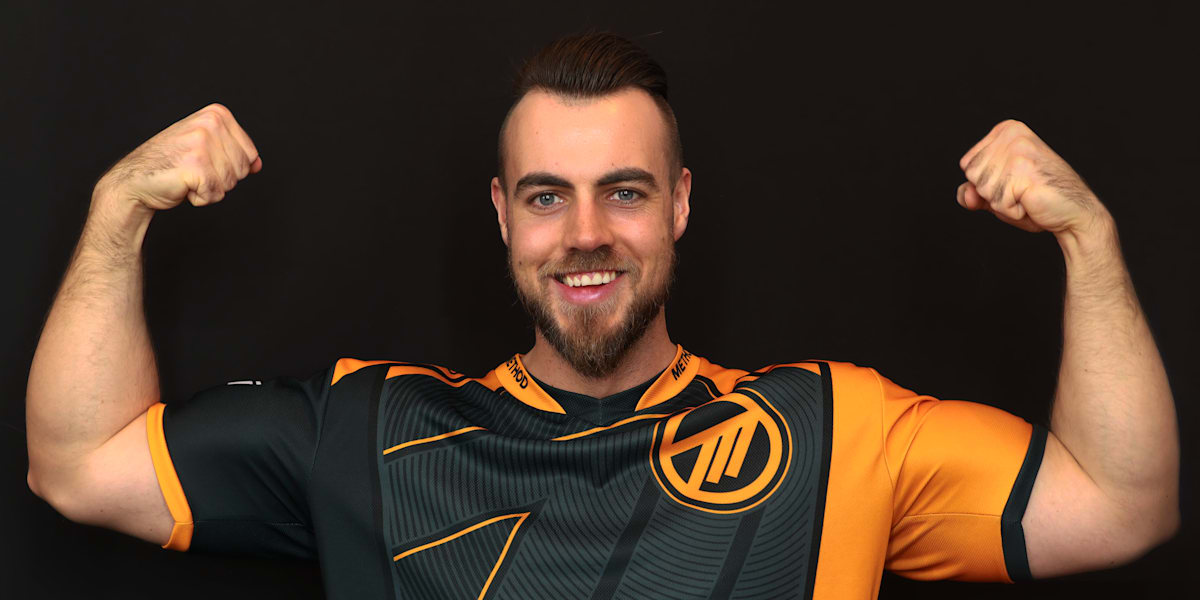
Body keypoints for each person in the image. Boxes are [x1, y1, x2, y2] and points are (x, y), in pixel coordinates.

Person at [25, 31, 1178, 599]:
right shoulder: (366, 434)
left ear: (679, 204)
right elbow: (79, 463)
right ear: (502, 214)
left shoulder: (837, 434)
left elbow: (1121, 505)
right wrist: (119, 209)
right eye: (547, 197)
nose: (584, 233)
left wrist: (1090, 241)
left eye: (624, 192)